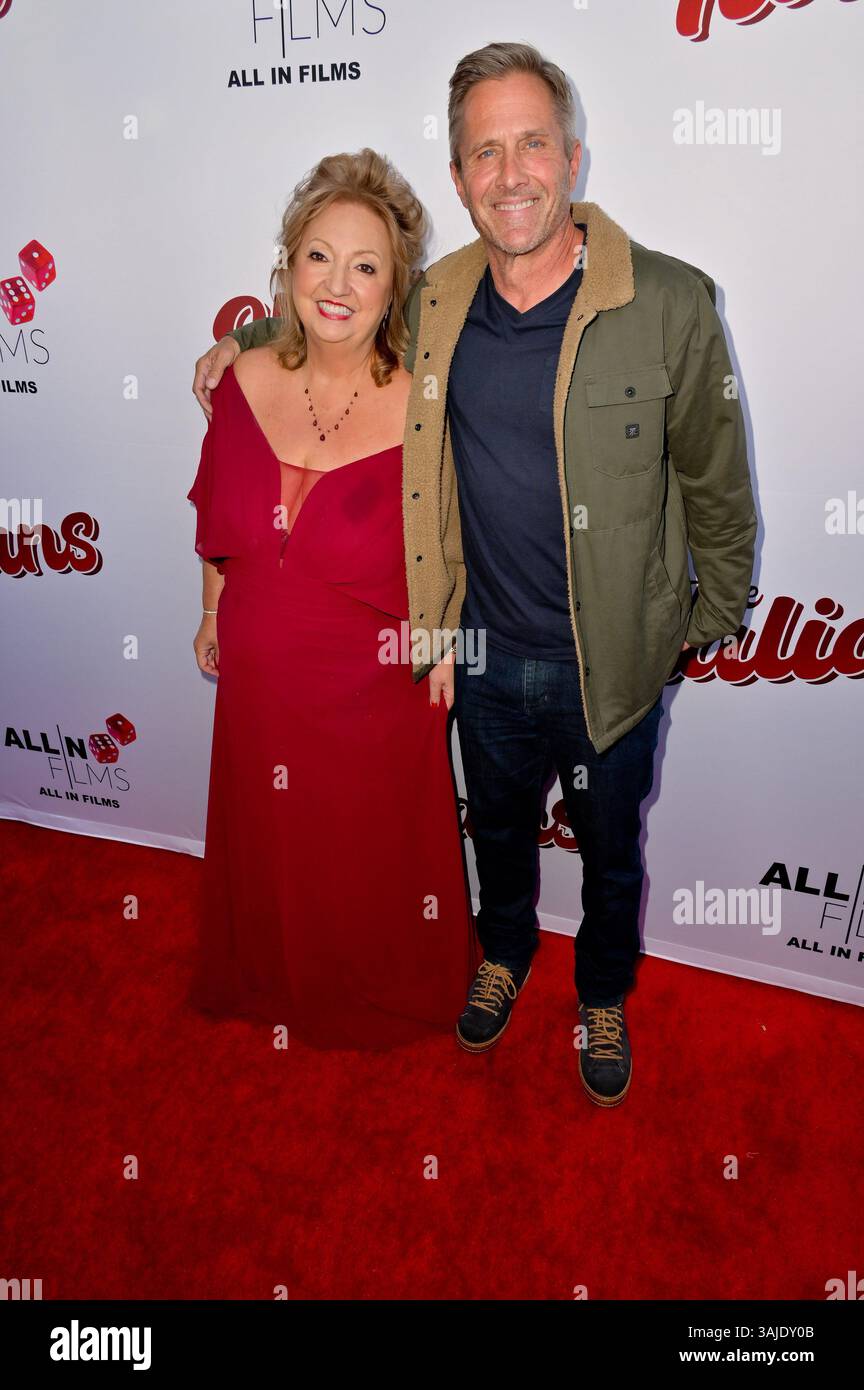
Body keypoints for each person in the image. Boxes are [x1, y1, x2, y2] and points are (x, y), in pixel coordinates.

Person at [194, 44, 757, 1105]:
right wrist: (246, 342)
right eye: (484, 152)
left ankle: (601, 993)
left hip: (613, 670)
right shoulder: (438, 302)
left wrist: (693, 625)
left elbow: (721, 486)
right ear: (458, 178)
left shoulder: (672, 304)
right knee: (495, 831)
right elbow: (334, 317)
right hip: (481, 657)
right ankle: (502, 952)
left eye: (531, 143)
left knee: (610, 854)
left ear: (574, 156)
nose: (510, 173)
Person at [186, 148, 479, 1050]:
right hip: (261, 675)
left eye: (366, 265)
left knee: (366, 844)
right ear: (286, 267)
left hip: (373, 684)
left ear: (396, 288)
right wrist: (208, 610)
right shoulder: (237, 380)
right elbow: (217, 513)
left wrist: (446, 647)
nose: (338, 284)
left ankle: (376, 980)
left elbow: (468, 537)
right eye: (319, 256)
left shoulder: (429, 401)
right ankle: (270, 970)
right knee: (272, 831)